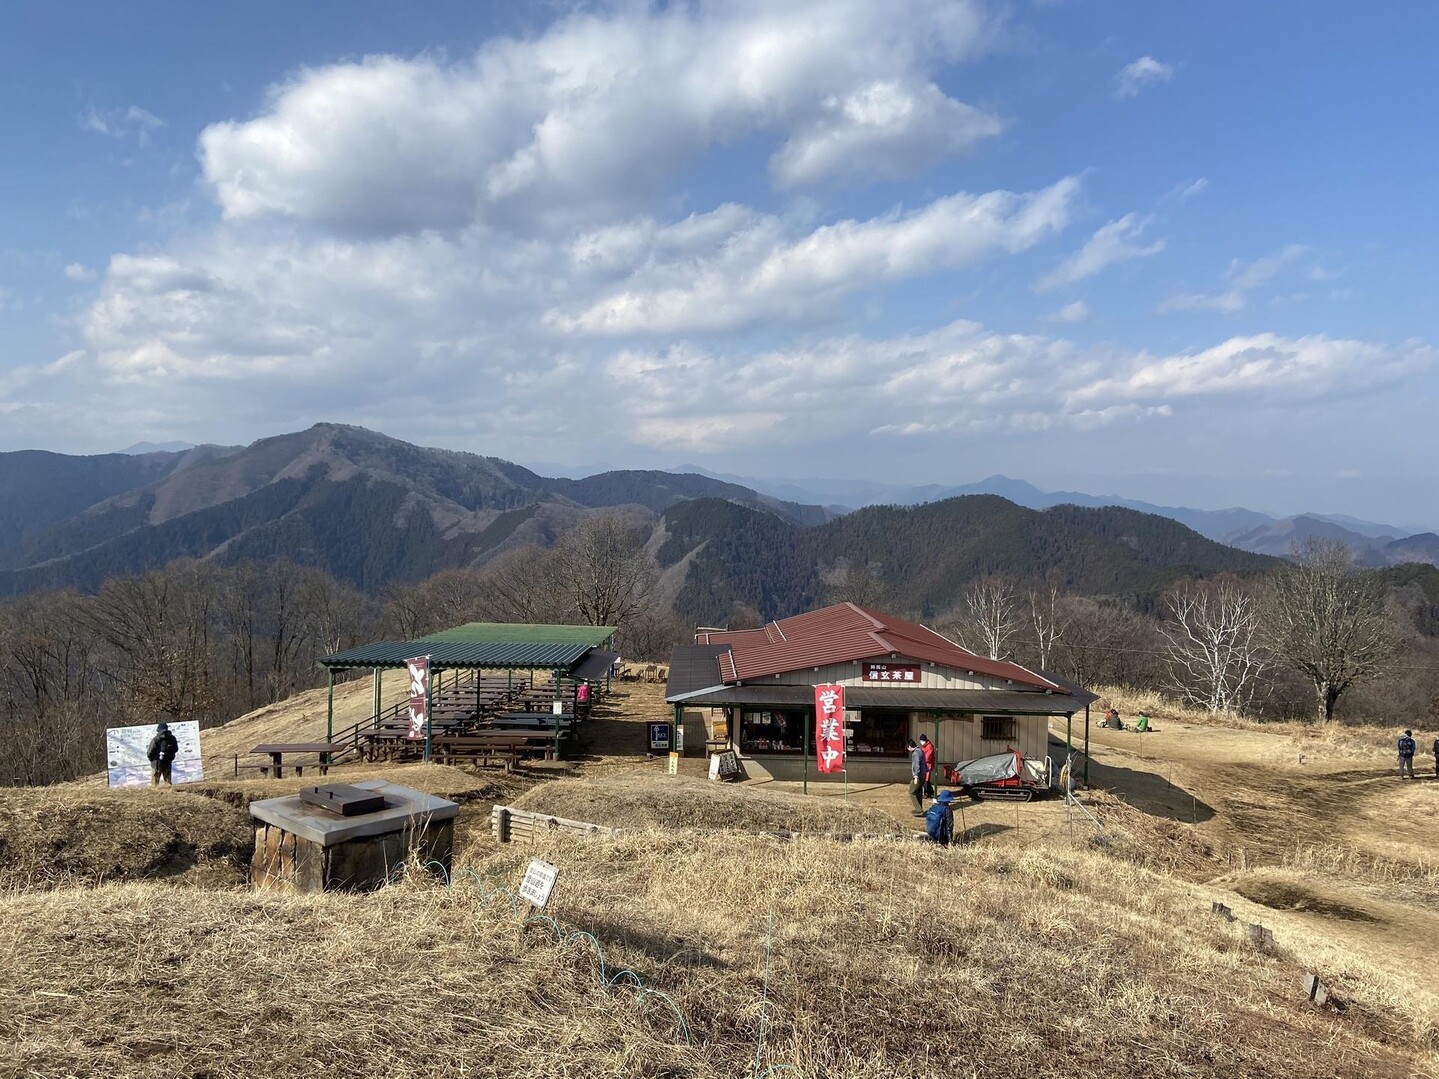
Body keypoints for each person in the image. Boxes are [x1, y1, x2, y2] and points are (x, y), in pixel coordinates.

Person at [147, 722, 179, 786]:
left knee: (155, 784)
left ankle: (155, 795)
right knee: (168, 783)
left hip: (156, 763)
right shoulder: (172, 738)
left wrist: (152, 759)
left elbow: (150, 752)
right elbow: (176, 749)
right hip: (167, 762)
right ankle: (170, 794)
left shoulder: (156, 739)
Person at [908, 739, 928, 815]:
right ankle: (919, 808)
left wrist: (915, 776)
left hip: (918, 775)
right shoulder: (920, 750)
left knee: (912, 792)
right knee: (919, 791)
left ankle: (918, 810)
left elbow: (916, 765)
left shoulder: (915, 753)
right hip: (923, 774)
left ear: (909, 746)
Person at [919, 734, 936, 798]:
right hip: (925, 764)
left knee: (926, 779)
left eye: (922, 741)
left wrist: (921, 759)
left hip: (928, 765)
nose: (921, 742)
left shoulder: (930, 746)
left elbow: (928, 757)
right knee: (925, 779)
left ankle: (927, 793)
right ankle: (930, 792)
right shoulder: (924, 746)